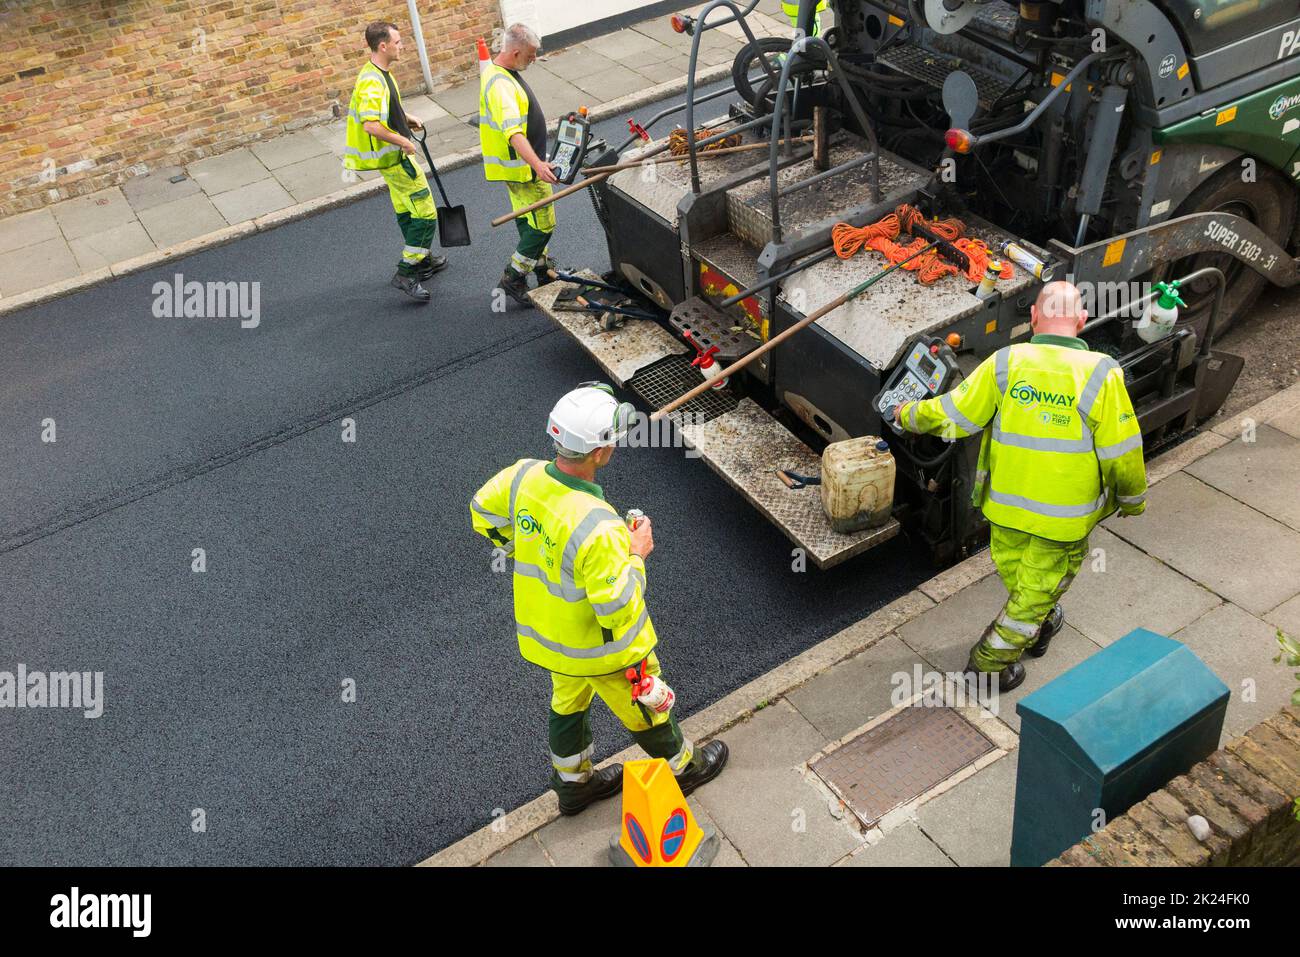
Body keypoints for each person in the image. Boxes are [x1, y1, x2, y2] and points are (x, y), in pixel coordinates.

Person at [470, 383, 728, 815]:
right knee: (644, 709)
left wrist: (521, 546)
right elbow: (618, 604)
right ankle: (686, 769)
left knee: (567, 705)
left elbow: (482, 510)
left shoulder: (521, 477)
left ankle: (574, 787)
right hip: (604, 649)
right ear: (600, 452)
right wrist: (636, 553)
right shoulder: (600, 527)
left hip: (552, 640)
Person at [894, 281, 1148, 691]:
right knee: (1034, 591)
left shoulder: (1005, 362)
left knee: (1026, 586)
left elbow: (954, 415)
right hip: (1061, 523)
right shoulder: (1102, 373)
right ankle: (988, 665)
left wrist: (907, 414)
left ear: (1033, 318)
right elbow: (1122, 448)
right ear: (1081, 321)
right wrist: (1132, 499)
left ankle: (1038, 624)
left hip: (1004, 511)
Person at [344, 20, 448, 303]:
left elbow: (386, 108)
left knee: (406, 208)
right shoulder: (372, 81)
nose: (402, 46)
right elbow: (371, 125)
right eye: (398, 42)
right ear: (383, 45)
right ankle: (407, 271)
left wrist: (405, 118)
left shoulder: (379, 73)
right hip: (394, 158)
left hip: (391, 159)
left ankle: (423, 260)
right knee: (425, 213)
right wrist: (403, 141)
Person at [479, 24, 560, 308]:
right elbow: (513, 133)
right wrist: (538, 165)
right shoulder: (501, 85)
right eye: (531, 54)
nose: (534, 59)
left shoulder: (500, 72)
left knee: (529, 219)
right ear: (515, 52)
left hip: (516, 168)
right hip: (524, 170)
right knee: (543, 226)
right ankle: (513, 278)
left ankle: (542, 268)